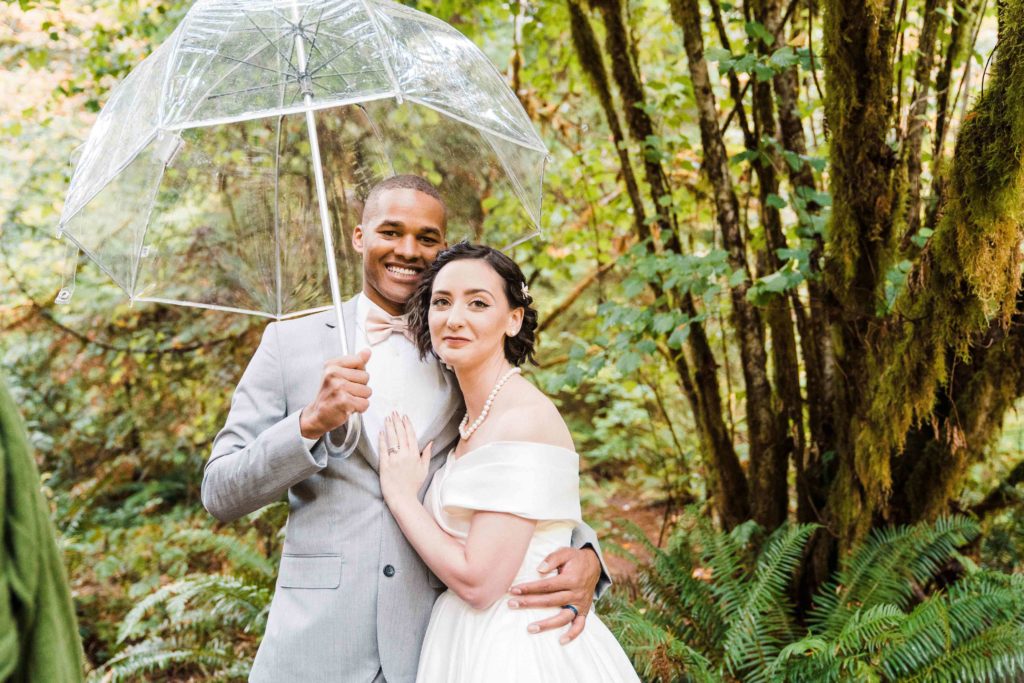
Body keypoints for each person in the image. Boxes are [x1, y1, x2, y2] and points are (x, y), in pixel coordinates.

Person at [201, 176, 610, 683]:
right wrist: (308, 423)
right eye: (390, 232)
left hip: (434, 643)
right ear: (358, 237)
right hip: (317, 645)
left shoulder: (464, 346)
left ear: (442, 247)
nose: (407, 250)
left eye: (426, 238)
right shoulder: (289, 343)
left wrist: (587, 553)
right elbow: (219, 492)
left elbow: (521, 467)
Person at [378, 242, 639, 681]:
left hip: (518, 646)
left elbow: (480, 582)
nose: (454, 317)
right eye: (442, 302)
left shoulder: (523, 419)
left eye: (478, 303)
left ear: (513, 319)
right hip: (461, 640)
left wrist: (401, 496)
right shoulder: (470, 415)